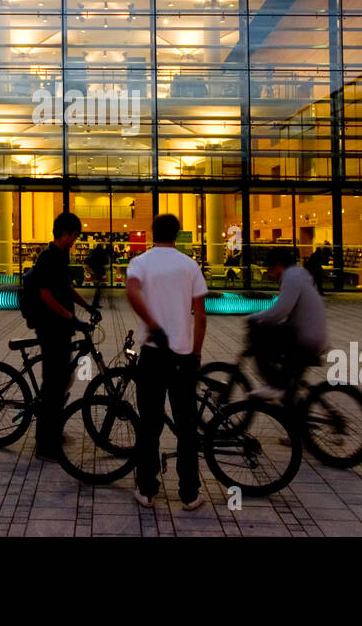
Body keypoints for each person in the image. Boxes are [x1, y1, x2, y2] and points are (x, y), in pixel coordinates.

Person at [125, 214, 208, 510]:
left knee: (149, 424)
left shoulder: (140, 263)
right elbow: (200, 315)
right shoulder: (190, 266)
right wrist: (196, 352)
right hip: (183, 357)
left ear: (152, 232)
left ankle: (147, 490)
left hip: (151, 354)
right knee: (187, 427)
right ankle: (189, 494)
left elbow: (131, 291)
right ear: (177, 234)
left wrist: (151, 322)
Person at [25, 212, 96, 460]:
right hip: (50, 328)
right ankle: (44, 445)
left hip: (62, 328)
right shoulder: (48, 258)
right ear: (64, 234)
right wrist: (70, 317)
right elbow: (46, 295)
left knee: (62, 382)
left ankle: (55, 430)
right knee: (52, 387)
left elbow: (65, 288)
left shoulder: (61, 256)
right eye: (74, 236)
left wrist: (87, 307)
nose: (75, 240)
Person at [246, 246, 329, 402]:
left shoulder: (291, 278)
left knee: (257, 336)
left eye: (270, 269)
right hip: (312, 335)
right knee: (289, 389)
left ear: (278, 265)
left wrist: (255, 318)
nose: (270, 274)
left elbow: (281, 310)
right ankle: (285, 393)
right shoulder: (301, 275)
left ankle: (274, 386)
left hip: (305, 338)